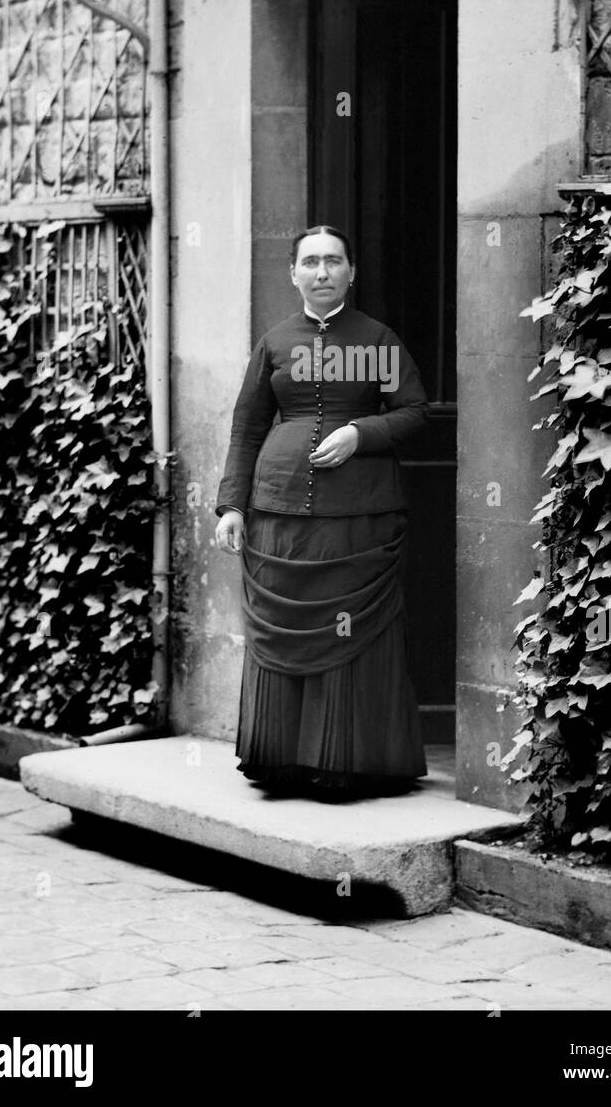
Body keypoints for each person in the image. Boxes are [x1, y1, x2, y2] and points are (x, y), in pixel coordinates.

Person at [214, 224, 429, 800]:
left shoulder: (378, 340)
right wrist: (231, 505)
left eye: (334, 261)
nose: (322, 272)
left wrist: (362, 432)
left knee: (348, 629)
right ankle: (279, 761)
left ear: (351, 272)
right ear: (293, 273)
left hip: (357, 512)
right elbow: (247, 426)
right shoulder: (275, 342)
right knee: (288, 628)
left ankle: (346, 763)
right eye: (310, 262)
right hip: (278, 508)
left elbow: (414, 412)